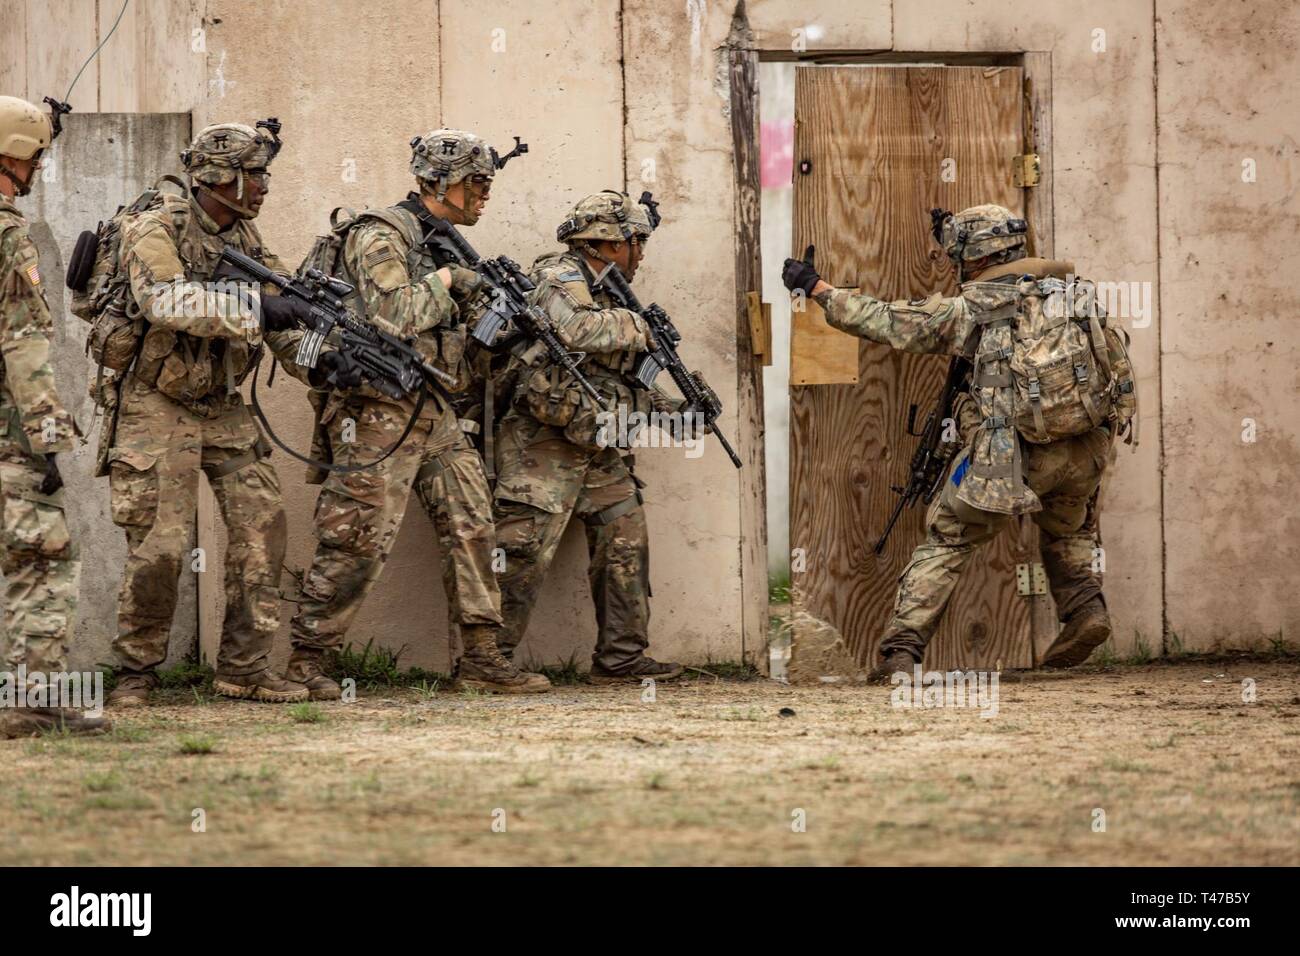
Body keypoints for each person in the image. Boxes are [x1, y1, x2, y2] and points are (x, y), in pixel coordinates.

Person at [782, 204, 1137, 675]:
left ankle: (900, 651)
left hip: (1011, 460)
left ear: (974, 258)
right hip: (1083, 451)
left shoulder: (975, 309)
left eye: (958, 256)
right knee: (1069, 528)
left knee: (947, 539)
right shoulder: (1077, 298)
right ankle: (1086, 611)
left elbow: (886, 321)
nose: (953, 265)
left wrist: (817, 288)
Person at [284, 128, 551, 697]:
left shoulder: (441, 241)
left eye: (488, 181)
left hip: (434, 409)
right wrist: (452, 281)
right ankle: (307, 660)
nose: (486, 192)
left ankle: (481, 658)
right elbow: (393, 314)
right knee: (356, 536)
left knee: (474, 527)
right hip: (377, 410)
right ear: (436, 182)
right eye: (476, 182)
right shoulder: (382, 234)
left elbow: (455, 338)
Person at [104, 121, 310, 706]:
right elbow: (164, 301)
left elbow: (285, 313)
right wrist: (262, 309)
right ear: (222, 179)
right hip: (154, 401)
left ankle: (243, 669)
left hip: (220, 404)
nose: (265, 185)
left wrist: (324, 357)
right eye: (256, 174)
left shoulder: (245, 238)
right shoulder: (153, 226)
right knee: (160, 546)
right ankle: (136, 674)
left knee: (263, 524)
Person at [492, 190, 692, 683]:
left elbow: (621, 377)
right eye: (635, 241)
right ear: (605, 242)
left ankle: (620, 657)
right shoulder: (559, 275)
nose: (641, 252)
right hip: (542, 443)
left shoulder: (609, 293)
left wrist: (676, 411)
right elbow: (576, 331)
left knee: (626, 535)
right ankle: (487, 660)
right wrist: (640, 326)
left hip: (595, 442)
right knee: (521, 550)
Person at [0, 95, 107, 735]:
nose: (39, 168)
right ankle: (32, 702)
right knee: (42, 556)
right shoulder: (9, 238)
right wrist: (46, 440)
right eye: (35, 156)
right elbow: (22, 345)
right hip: (8, 435)